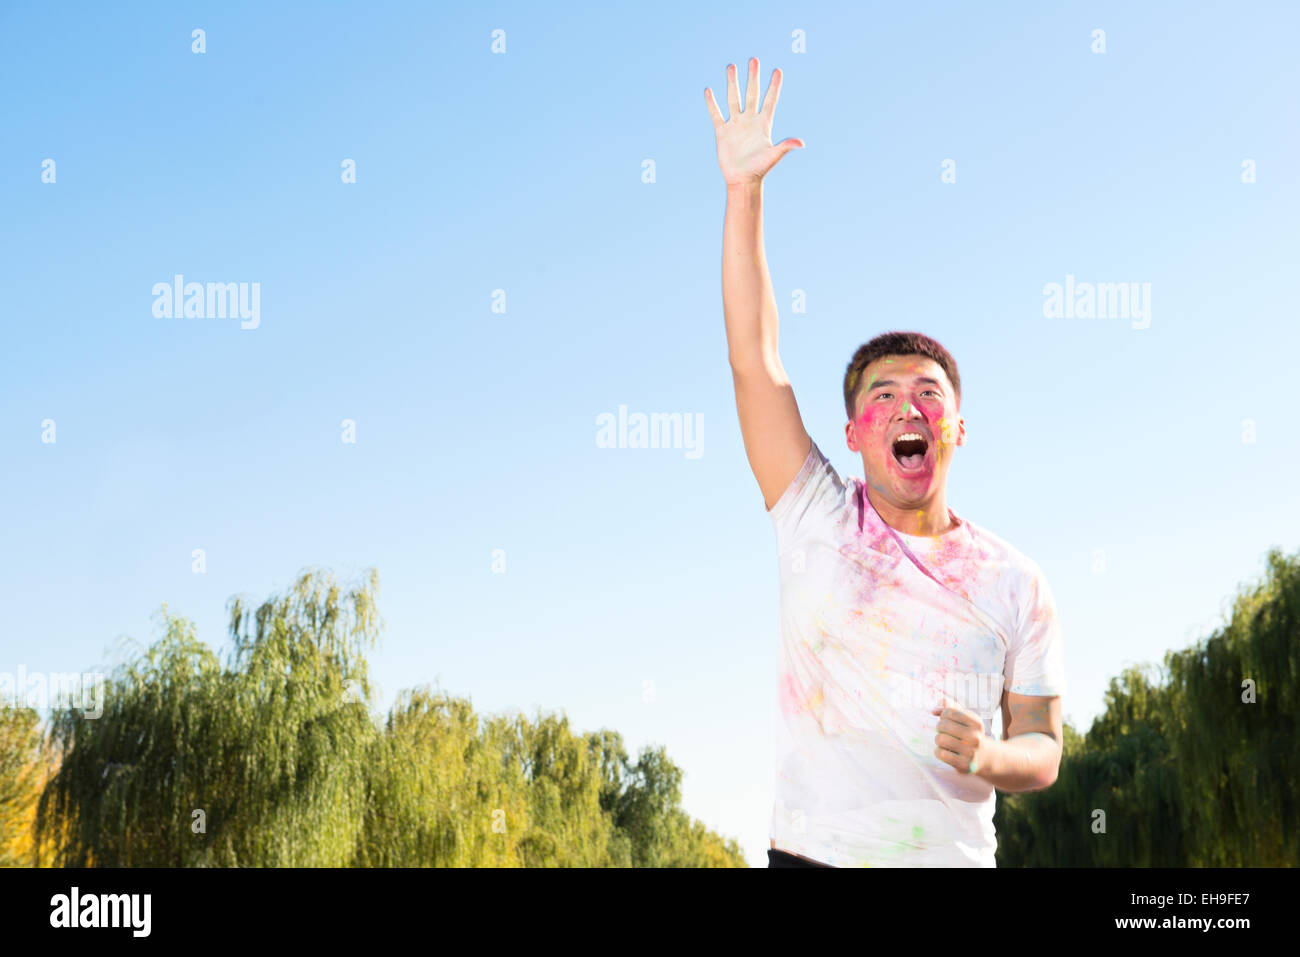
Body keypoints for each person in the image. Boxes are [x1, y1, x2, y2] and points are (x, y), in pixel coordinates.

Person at [705, 58, 1067, 868]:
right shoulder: (814, 515)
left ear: (959, 428)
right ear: (854, 432)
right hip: (812, 856)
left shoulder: (1017, 581)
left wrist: (990, 757)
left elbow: (1042, 743)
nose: (910, 407)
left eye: (929, 394)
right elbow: (754, 359)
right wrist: (743, 194)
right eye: (886, 395)